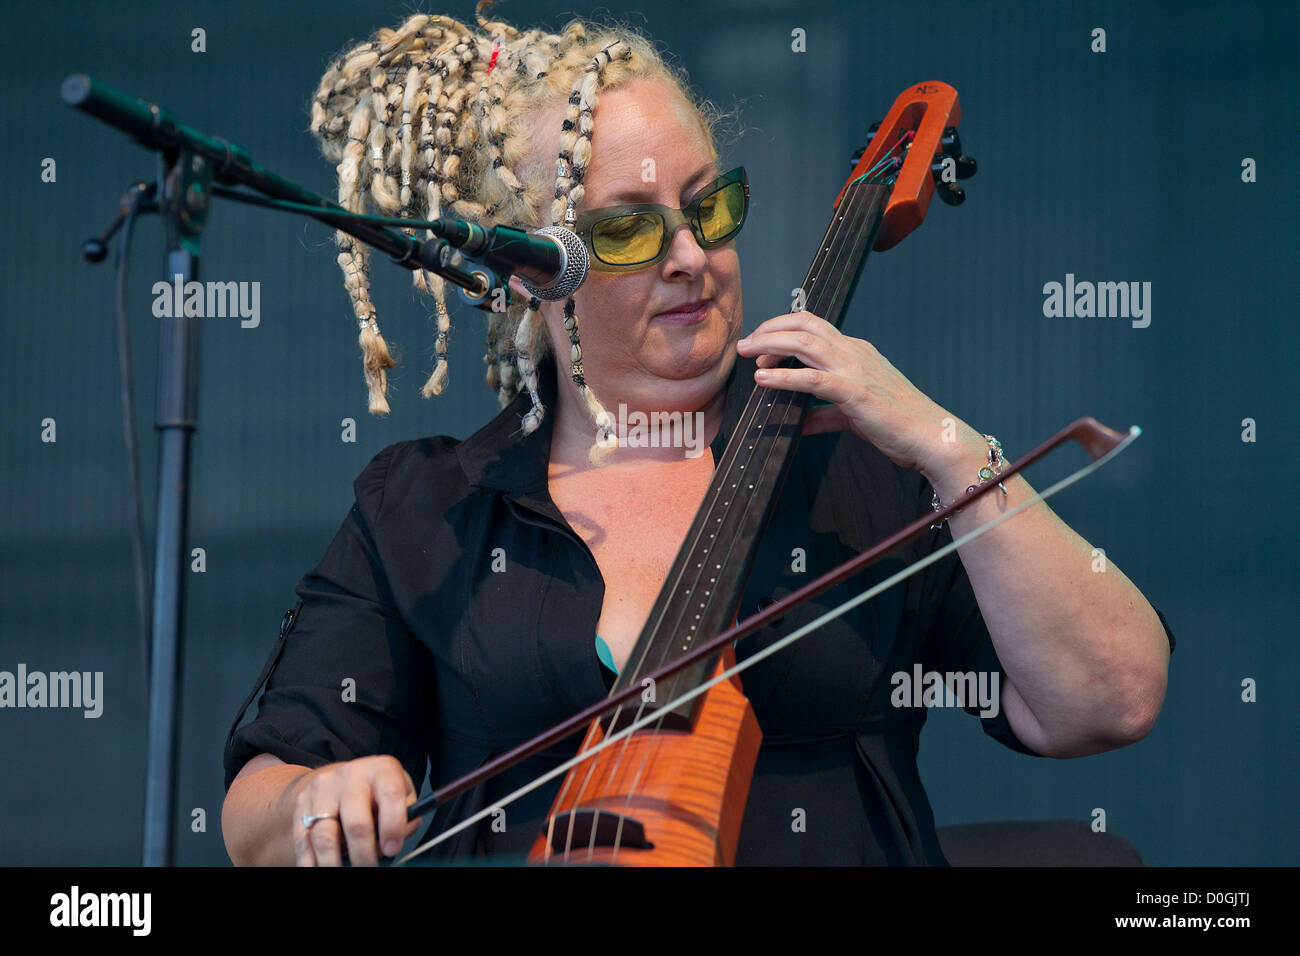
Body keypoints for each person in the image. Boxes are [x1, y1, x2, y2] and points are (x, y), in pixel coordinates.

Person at [221, 4, 1175, 867]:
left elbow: (1111, 697)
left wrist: (952, 448)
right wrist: (316, 797)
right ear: (530, 272)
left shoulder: (862, 466)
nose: (690, 257)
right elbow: (257, 808)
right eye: (630, 233)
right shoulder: (430, 509)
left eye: (709, 207)